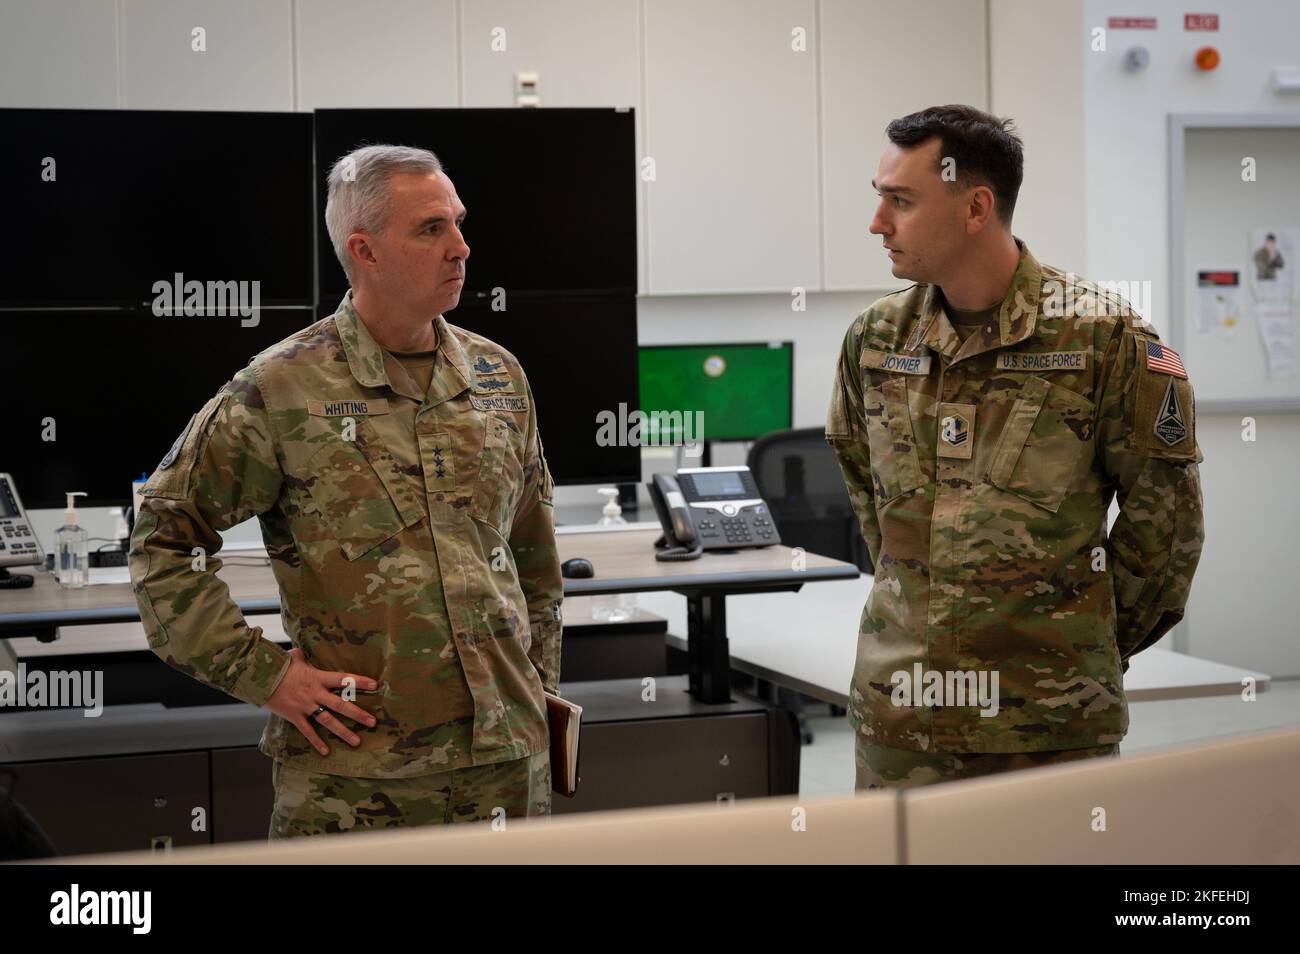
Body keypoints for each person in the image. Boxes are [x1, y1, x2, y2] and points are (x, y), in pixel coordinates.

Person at [130, 144, 562, 835]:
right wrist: (266, 677)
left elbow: (534, 554)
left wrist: (539, 691)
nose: (462, 247)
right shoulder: (281, 388)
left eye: (457, 222)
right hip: (358, 784)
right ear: (364, 250)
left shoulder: (497, 377)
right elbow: (161, 542)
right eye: (431, 229)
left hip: (508, 769)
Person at [825, 105, 1204, 790]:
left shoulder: (1108, 340)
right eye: (879, 199)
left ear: (975, 207)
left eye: (901, 202)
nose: (878, 223)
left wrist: (1075, 649)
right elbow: (874, 508)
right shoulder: (876, 342)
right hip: (899, 718)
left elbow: (1166, 534)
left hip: (1045, 731)